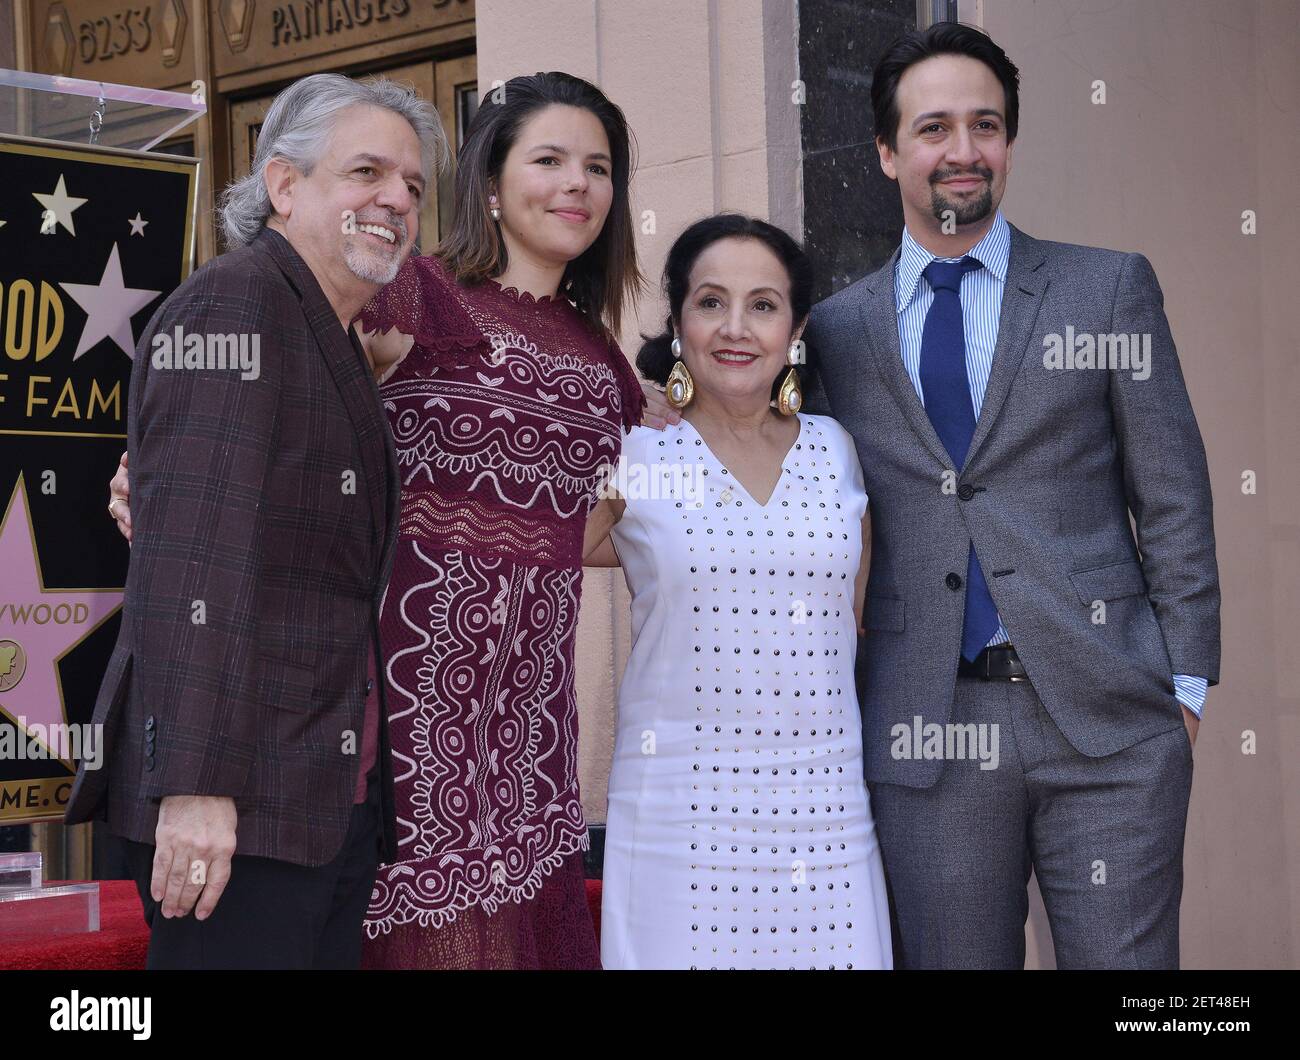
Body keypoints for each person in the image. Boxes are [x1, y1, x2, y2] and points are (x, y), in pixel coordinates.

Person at [643, 23, 1220, 970]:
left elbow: (1175, 499)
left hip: (1111, 725)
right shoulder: (834, 328)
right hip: (926, 732)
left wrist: (1183, 686)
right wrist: (664, 408)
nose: (962, 150)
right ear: (886, 151)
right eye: (934, 128)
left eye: (984, 126)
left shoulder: (1105, 290)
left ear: (1008, 142)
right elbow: (752, 432)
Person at [105, 71, 645, 970]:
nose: (576, 183)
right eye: (548, 159)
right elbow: (233, 462)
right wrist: (150, 489)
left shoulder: (604, 357)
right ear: (493, 182)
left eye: (597, 166)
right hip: (391, 714)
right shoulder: (404, 296)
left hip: (525, 729)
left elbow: (580, 524)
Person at [67, 73, 446, 969]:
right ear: (284, 185)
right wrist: (196, 792)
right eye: (366, 172)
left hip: (317, 806)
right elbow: (196, 568)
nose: (396, 198)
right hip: (237, 814)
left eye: (414, 185)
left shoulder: (326, 326)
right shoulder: (237, 305)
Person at [586, 215, 892, 969]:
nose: (736, 328)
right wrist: (602, 410)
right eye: (711, 302)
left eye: (762, 305)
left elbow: (853, 625)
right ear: (679, 320)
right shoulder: (635, 451)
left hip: (826, 819)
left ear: (797, 328)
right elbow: (535, 545)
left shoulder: (837, 452)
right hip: (677, 819)